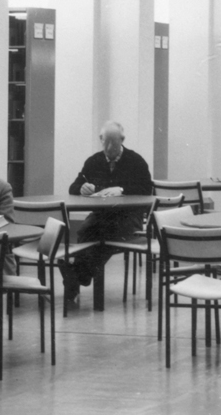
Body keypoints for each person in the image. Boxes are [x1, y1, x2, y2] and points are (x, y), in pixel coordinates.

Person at [60, 121, 154, 305]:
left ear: (122, 140)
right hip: (101, 216)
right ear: (100, 140)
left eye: (114, 142)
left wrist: (122, 189)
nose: (110, 147)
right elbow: (74, 186)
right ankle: (78, 278)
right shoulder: (94, 161)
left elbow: (146, 189)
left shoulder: (135, 160)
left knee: (103, 236)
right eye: (106, 142)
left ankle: (76, 277)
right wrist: (82, 188)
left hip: (129, 217)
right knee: (84, 231)